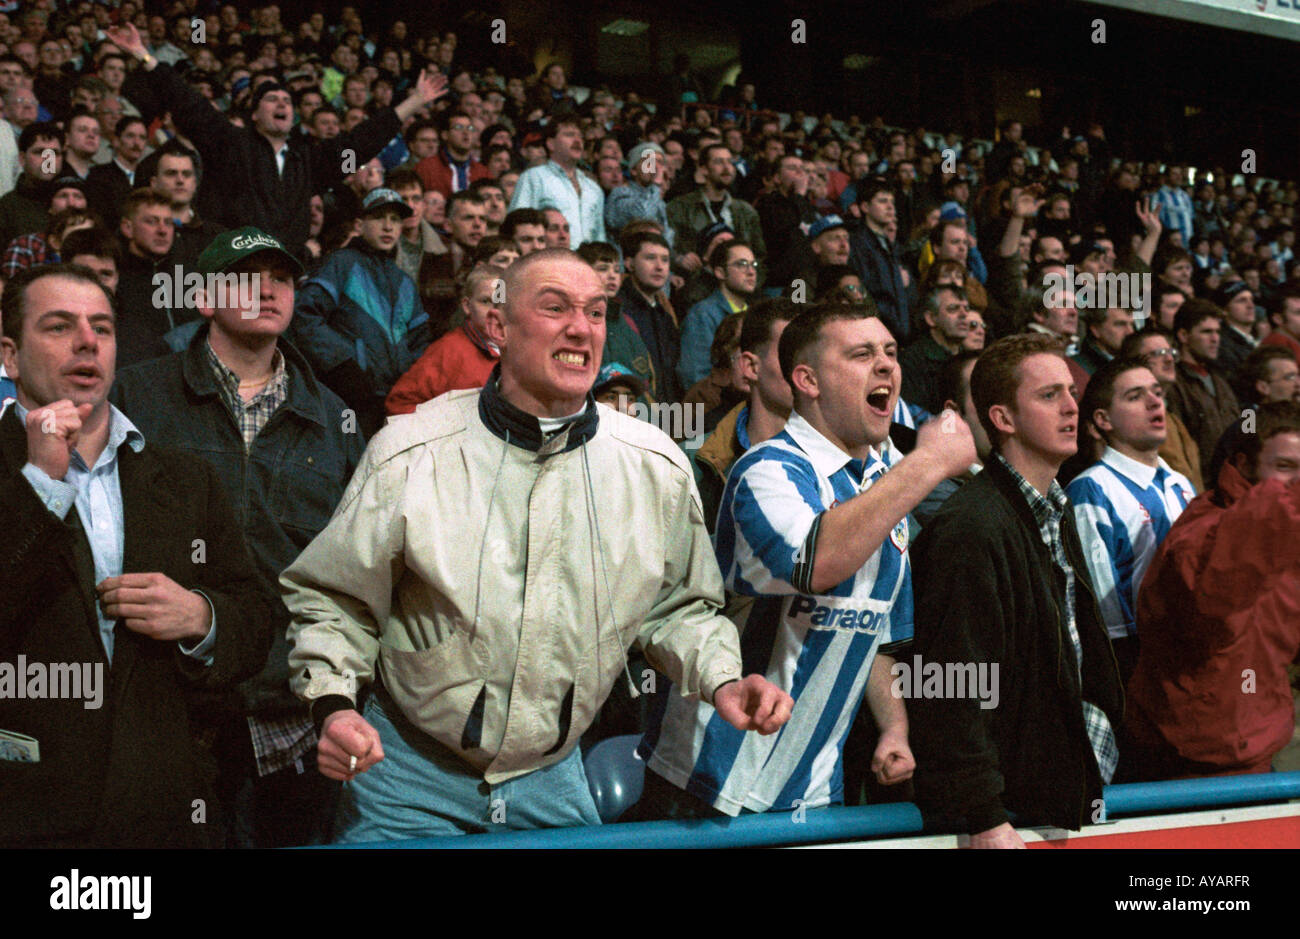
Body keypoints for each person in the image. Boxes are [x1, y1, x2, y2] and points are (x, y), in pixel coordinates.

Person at [282, 248, 792, 840]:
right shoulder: (411, 450)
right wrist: (334, 705)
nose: (582, 326)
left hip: (550, 775)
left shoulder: (655, 466)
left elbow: (678, 607)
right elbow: (335, 598)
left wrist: (724, 677)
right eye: (555, 308)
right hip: (405, 772)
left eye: (596, 312)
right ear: (498, 327)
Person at [637, 302, 976, 819]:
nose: (886, 365)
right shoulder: (767, 470)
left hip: (815, 785)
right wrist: (928, 462)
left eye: (889, 352)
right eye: (862, 354)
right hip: (710, 778)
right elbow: (816, 563)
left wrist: (894, 728)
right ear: (808, 380)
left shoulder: (882, 486)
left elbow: (876, 631)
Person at [0, 263, 277, 847]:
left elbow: (256, 617)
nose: (86, 341)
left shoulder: (184, 477)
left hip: (165, 808)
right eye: (58, 326)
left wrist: (203, 618)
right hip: (25, 812)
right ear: (10, 356)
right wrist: (43, 484)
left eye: (101, 327)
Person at [111, 227, 363, 847]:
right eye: (248, 278)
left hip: (294, 706)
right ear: (203, 299)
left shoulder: (337, 418)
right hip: (167, 702)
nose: (269, 290)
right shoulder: (135, 393)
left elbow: (354, 568)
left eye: (280, 279)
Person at [909, 333, 1124, 847]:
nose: (1072, 406)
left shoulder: (1056, 507)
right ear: (1003, 419)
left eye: (1071, 392)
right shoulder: (970, 527)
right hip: (1005, 812)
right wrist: (983, 813)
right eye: (1049, 395)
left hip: (1055, 792)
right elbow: (949, 681)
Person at [108, 22, 447, 251]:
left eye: (287, 100)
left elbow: (359, 143)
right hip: (235, 271)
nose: (282, 103)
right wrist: (143, 55)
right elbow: (188, 102)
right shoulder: (229, 143)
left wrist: (414, 102)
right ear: (254, 114)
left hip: (288, 275)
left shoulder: (307, 161)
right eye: (272, 99)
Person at [1123, 401, 1300, 781]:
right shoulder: (1205, 532)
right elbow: (1216, 606)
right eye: (1284, 467)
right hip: (1196, 758)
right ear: (1244, 463)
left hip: (1254, 740)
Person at [1065, 357, 1194, 683]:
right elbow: (1107, 622)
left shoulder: (1179, 482)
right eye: (1135, 396)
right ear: (1102, 419)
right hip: (1137, 672)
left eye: (1156, 392)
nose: (1154, 401)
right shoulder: (1091, 490)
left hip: (1191, 658)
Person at [290, 187, 430, 437]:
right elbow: (305, 313)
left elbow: (420, 340)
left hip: (395, 403)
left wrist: (410, 381)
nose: (388, 226)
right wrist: (342, 363)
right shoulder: (341, 263)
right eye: (378, 217)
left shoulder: (405, 281)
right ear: (359, 224)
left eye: (395, 219)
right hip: (348, 398)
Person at [692, 297, 794, 531]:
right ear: (750, 365)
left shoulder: (844, 457)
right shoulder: (690, 463)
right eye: (789, 353)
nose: (803, 368)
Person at [385, 263, 503, 414]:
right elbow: (400, 403)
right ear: (467, 306)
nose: (494, 311)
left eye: (501, 302)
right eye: (485, 301)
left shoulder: (519, 349)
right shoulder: (447, 351)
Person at [1119, 328, 1204, 492]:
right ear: (1135, 362)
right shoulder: (1130, 421)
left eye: (1171, 352)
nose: (1169, 359)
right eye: (1158, 353)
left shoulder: (1173, 419)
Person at [1165, 299, 1240, 483]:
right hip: (1200, 485)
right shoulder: (1173, 383)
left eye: (1217, 332)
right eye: (1207, 332)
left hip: (1233, 481)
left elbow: (1244, 419)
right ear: (1183, 335)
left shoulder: (1221, 379)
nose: (1215, 338)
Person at [666, 143, 765, 275]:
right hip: (696, 284)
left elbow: (759, 255)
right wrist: (679, 260)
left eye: (730, 162)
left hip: (738, 286)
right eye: (719, 162)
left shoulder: (745, 211)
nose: (727, 167)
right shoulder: (680, 207)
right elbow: (667, 247)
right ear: (703, 169)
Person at [507, 116, 605, 248]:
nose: (577, 141)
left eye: (581, 137)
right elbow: (517, 226)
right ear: (550, 144)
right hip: (548, 262)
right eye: (569, 135)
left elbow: (599, 236)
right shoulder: (534, 177)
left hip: (585, 265)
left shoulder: (593, 188)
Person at [678, 240, 756, 388]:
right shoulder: (702, 315)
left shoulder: (755, 314)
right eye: (742, 264)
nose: (751, 271)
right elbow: (695, 375)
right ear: (720, 272)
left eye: (753, 264)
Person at [616, 230, 681, 403]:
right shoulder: (618, 309)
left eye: (665, 260)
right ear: (629, 263)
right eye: (650, 258)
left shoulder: (666, 314)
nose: (659, 266)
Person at [848, 178, 911, 339]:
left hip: (896, 332)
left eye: (892, 202)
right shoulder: (857, 244)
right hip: (876, 331)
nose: (890, 207)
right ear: (865, 207)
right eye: (882, 201)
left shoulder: (890, 246)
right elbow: (868, 291)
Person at [899, 284, 970, 414]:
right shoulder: (911, 362)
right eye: (953, 309)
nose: (964, 314)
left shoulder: (971, 359)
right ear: (931, 318)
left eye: (966, 308)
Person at [604, 140, 672, 245]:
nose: (656, 167)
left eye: (660, 162)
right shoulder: (620, 194)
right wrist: (656, 186)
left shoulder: (658, 199)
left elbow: (666, 236)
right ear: (634, 170)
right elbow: (644, 216)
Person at [413, 109, 489, 200]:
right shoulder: (426, 168)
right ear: (445, 135)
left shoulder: (483, 172)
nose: (466, 132)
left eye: (470, 128)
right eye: (458, 127)